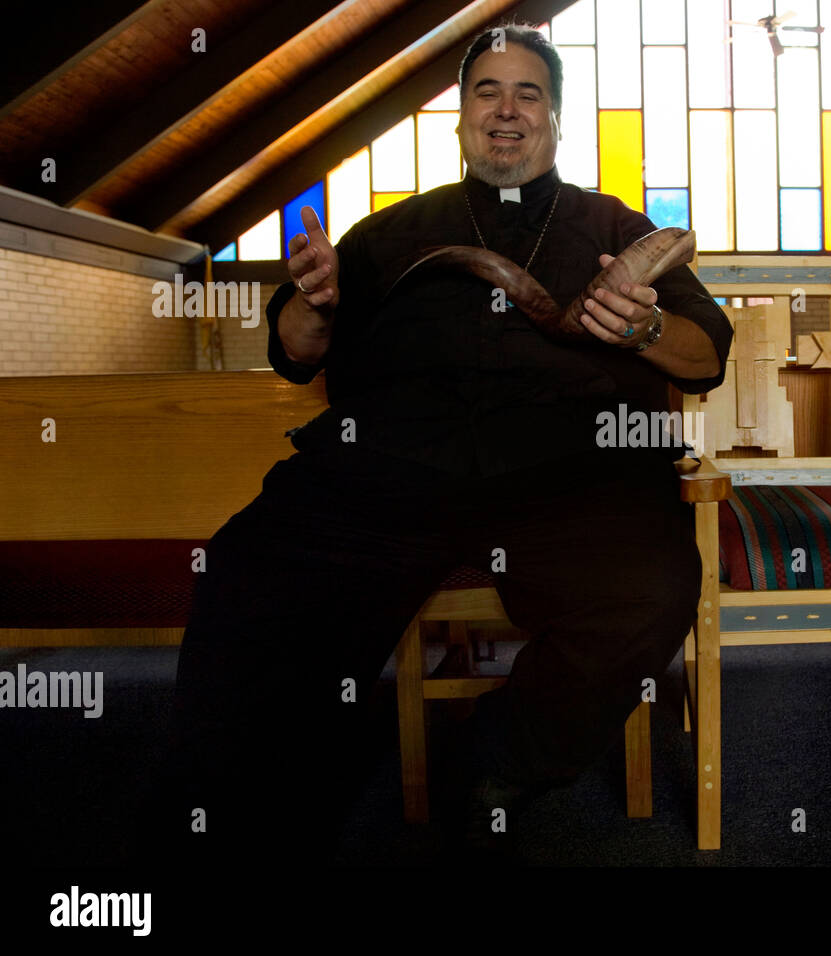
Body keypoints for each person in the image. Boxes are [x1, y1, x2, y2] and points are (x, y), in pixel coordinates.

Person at [141, 23, 732, 864]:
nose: (506, 111)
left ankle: (497, 761)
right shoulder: (387, 234)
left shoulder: (615, 228)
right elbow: (296, 349)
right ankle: (220, 832)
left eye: (529, 93)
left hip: (573, 478)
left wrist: (641, 329)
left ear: (556, 120)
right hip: (388, 472)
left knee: (652, 587)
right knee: (249, 574)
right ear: (460, 119)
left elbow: (706, 356)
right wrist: (307, 306)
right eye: (487, 92)